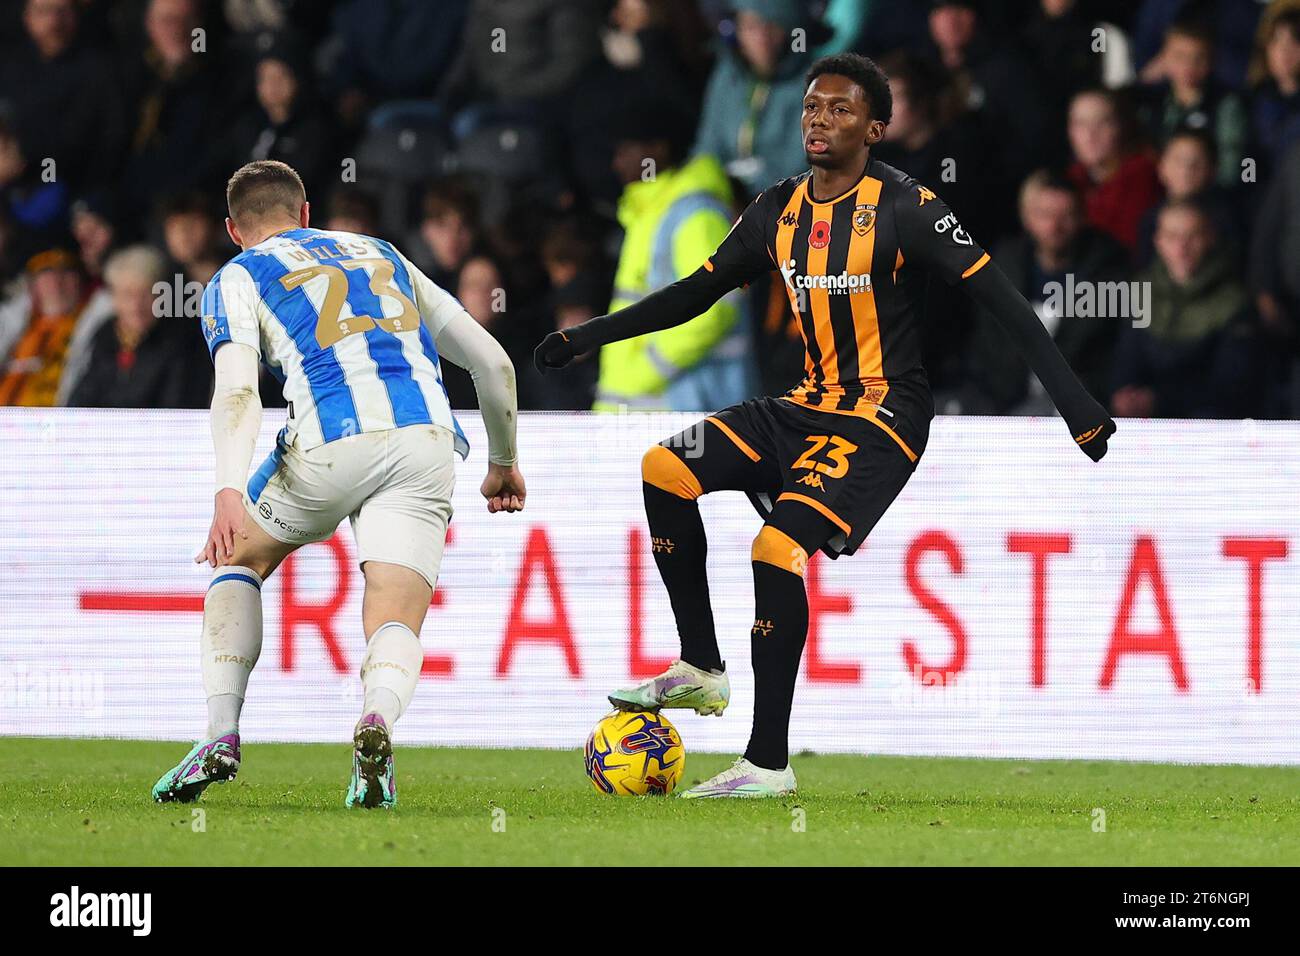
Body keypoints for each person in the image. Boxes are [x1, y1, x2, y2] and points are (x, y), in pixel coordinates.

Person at [535, 54, 1115, 799]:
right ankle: (701, 667)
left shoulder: (910, 207)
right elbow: (692, 295)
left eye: (840, 110)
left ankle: (767, 766)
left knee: (777, 549)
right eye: (812, 107)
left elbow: (1003, 304)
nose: (819, 119)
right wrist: (588, 337)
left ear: (876, 128)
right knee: (664, 467)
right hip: (804, 405)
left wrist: (1078, 408)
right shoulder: (777, 208)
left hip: (883, 414)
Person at [151, 161, 525, 809]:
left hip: (329, 437)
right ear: (305, 214)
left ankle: (220, 732)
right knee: (394, 608)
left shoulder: (236, 275)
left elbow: (239, 390)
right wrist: (503, 462)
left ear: (234, 231)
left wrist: (227, 491)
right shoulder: (382, 253)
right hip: (427, 438)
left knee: (240, 558)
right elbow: (492, 361)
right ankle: (375, 720)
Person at [963, 170, 1127, 415]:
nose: (1054, 226)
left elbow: (1108, 356)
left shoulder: (1109, 270)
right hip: (1002, 403)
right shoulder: (1002, 264)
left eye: (1066, 216)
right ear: (1026, 217)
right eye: (1044, 215)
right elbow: (985, 346)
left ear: (1082, 217)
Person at [1112, 199, 1259, 418]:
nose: (1182, 248)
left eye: (1192, 236)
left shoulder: (1235, 302)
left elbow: (1232, 386)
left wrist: (1159, 401)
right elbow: (1125, 361)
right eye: (1172, 237)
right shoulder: (1139, 291)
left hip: (1209, 428)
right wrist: (1123, 394)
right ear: (1158, 241)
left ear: (1210, 238)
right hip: (1141, 425)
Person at [66, 244, 211, 408]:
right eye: (128, 294)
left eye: (146, 293)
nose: (136, 305)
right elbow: (82, 396)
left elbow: (178, 407)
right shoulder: (105, 334)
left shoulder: (182, 341)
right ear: (114, 298)